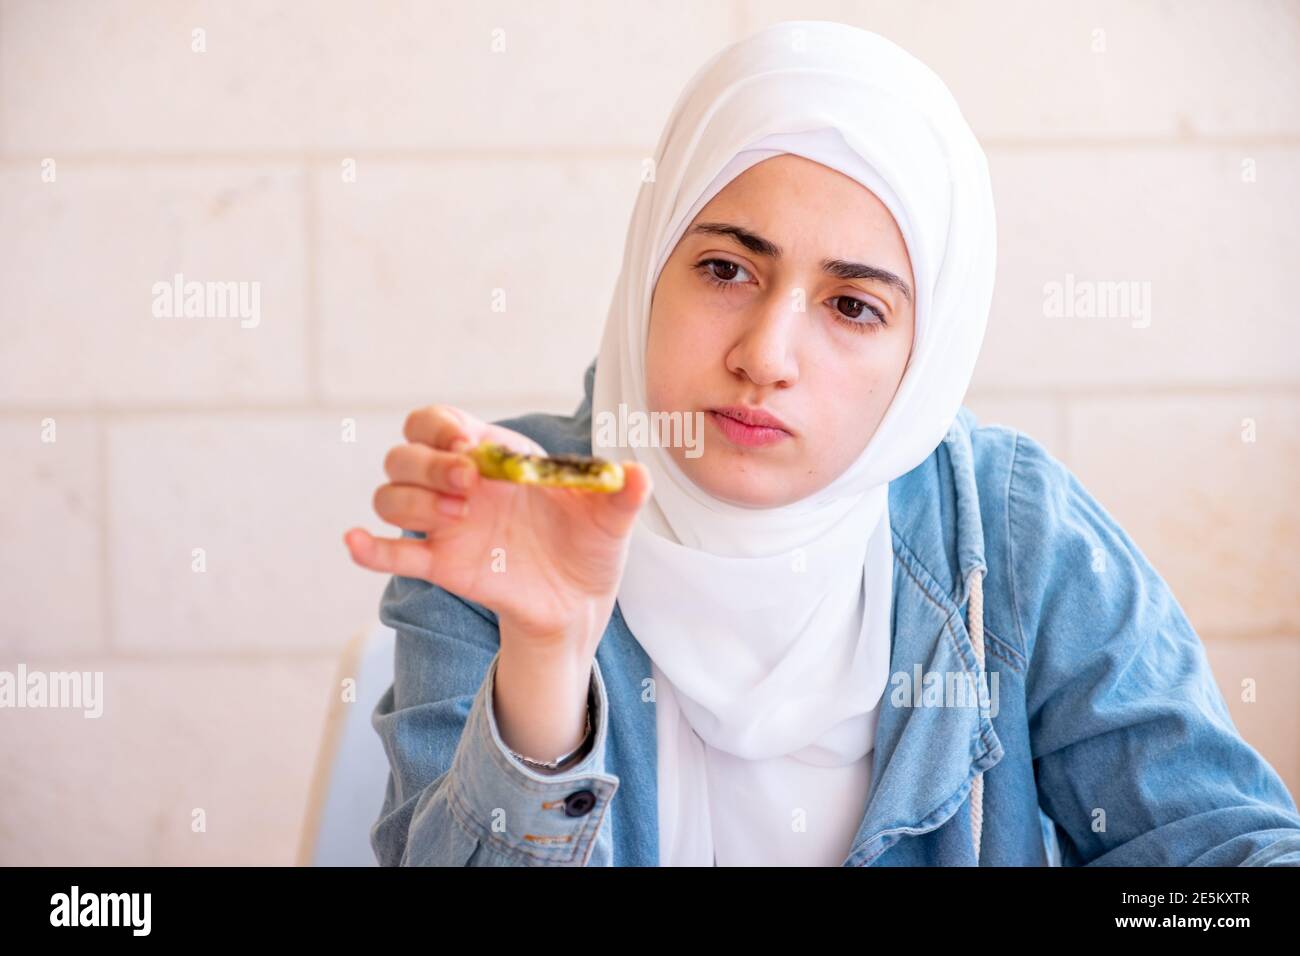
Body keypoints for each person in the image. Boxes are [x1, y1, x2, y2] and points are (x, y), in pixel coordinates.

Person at [344, 19, 1300, 867]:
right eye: (724, 267)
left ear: (927, 352)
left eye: (852, 306)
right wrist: (546, 662)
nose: (765, 355)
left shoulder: (1010, 534)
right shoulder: (513, 515)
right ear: (649, 265)